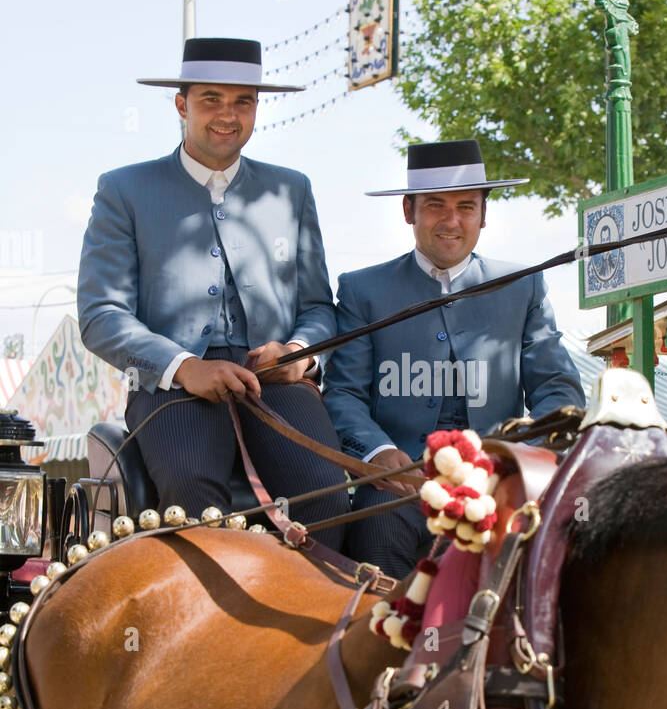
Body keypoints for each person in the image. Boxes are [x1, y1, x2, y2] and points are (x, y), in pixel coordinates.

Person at [77, 37, 349, 546]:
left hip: (275, 382)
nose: (228, 115)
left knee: (327, 496)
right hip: (170, 385)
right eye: (211, 100)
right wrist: (184, 366)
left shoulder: (292, 190)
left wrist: (297, 355)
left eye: (243, 101)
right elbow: (101, 313)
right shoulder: (124, 190)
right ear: (181, 105)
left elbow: (317, 307)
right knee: (191, 497)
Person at [323, 139, 585, 575]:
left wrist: (516, 459)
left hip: (497, 487)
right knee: (374, 567)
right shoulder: (361, 290)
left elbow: (557, 389)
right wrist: (381, 456)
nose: (451, 220)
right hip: (396, 492)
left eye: (466, 206)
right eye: (435, 206)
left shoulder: (524, 286)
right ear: (408, 211)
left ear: (484, 215)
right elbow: (343, 394)